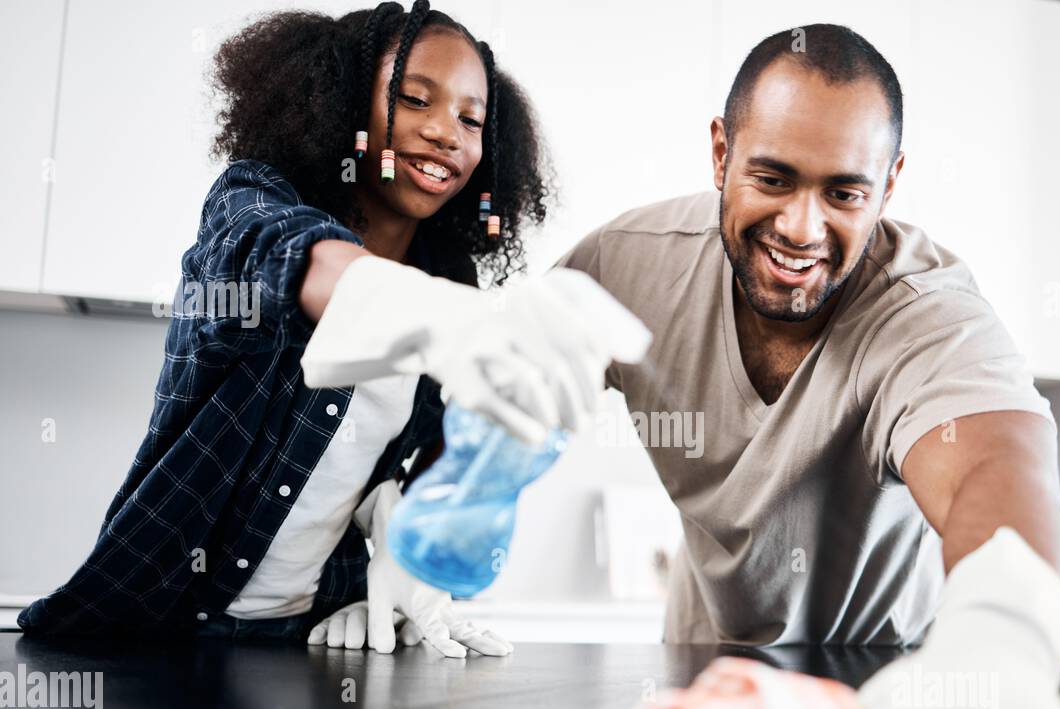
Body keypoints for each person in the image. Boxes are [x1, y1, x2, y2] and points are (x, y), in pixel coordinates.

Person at [556, 24, 1060, 709]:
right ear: (722, 153)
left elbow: (998, 468)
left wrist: (1003, 637)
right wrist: (396, 520)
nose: (800, 228)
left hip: (879, 692)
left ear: (888, 183)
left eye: (844, 191)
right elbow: (499, 387)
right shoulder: (627, 266)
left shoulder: (923, 312)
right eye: (774, 178)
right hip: (700, 678)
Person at [18, 1, 647, 657]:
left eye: (471, 118)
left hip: (314, 639)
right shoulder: (253, 204)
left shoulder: (449, 280)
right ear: (346, 106)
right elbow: (290, 258)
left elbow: (392, 468)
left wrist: (404, 560)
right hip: (155, 630)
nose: (445, 132)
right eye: (413, 99)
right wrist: (441, 318)